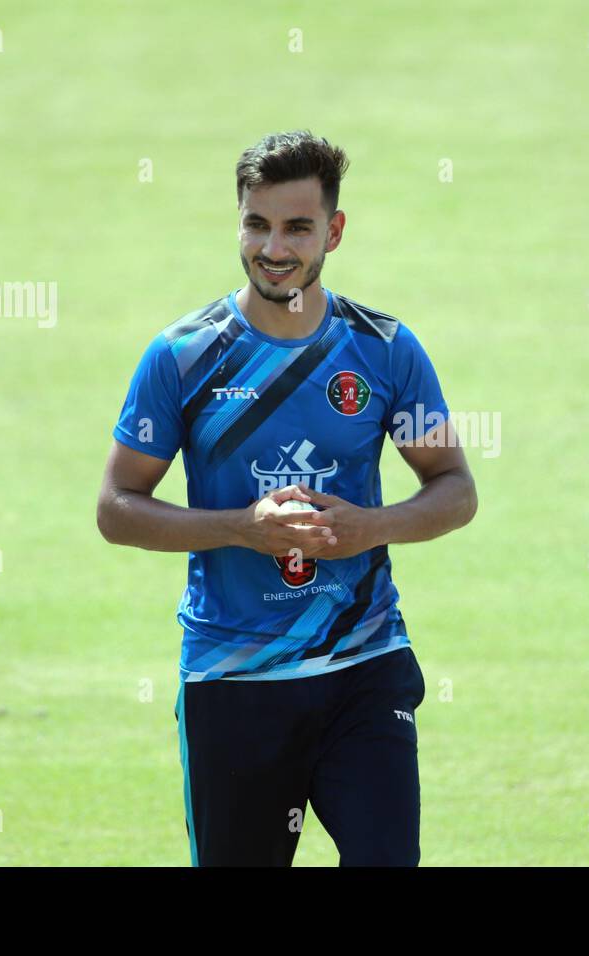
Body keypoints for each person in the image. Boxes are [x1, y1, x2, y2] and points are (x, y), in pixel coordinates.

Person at [97, 130, 477, 866]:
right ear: (238, 222)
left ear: (333, 231)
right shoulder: (181, 356)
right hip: (234, 681)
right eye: (257, 224)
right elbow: (116, 507)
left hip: (362, 666)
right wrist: (241, 528)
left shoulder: (385, 349)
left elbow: (454, 488)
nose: (274, 247)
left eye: (297, 227)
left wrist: (372, 527)